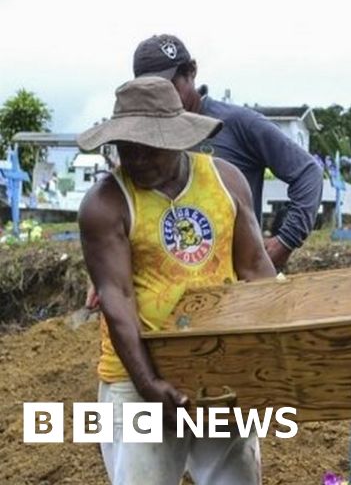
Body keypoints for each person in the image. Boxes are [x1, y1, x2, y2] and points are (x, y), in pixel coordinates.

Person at [77, 76, 277, 484]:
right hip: (136, 374)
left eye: (148, 146)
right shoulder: (105, 203)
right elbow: (117, 297)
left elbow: (256, 270)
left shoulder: (225, 182)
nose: (137, 159)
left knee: (236, 477)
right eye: (127, 147)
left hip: (220, 367)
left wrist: (270, 359)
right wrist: (149, 383)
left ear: (176, 138)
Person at [133, 34, 324, 270]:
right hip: (168, 277)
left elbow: (308, 172)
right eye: (150, 91)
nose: (161, 98)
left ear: (191, 72)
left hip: (236, 276)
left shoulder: (237, 124)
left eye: (168, 86)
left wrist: (286, 240)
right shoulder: (141, 140)